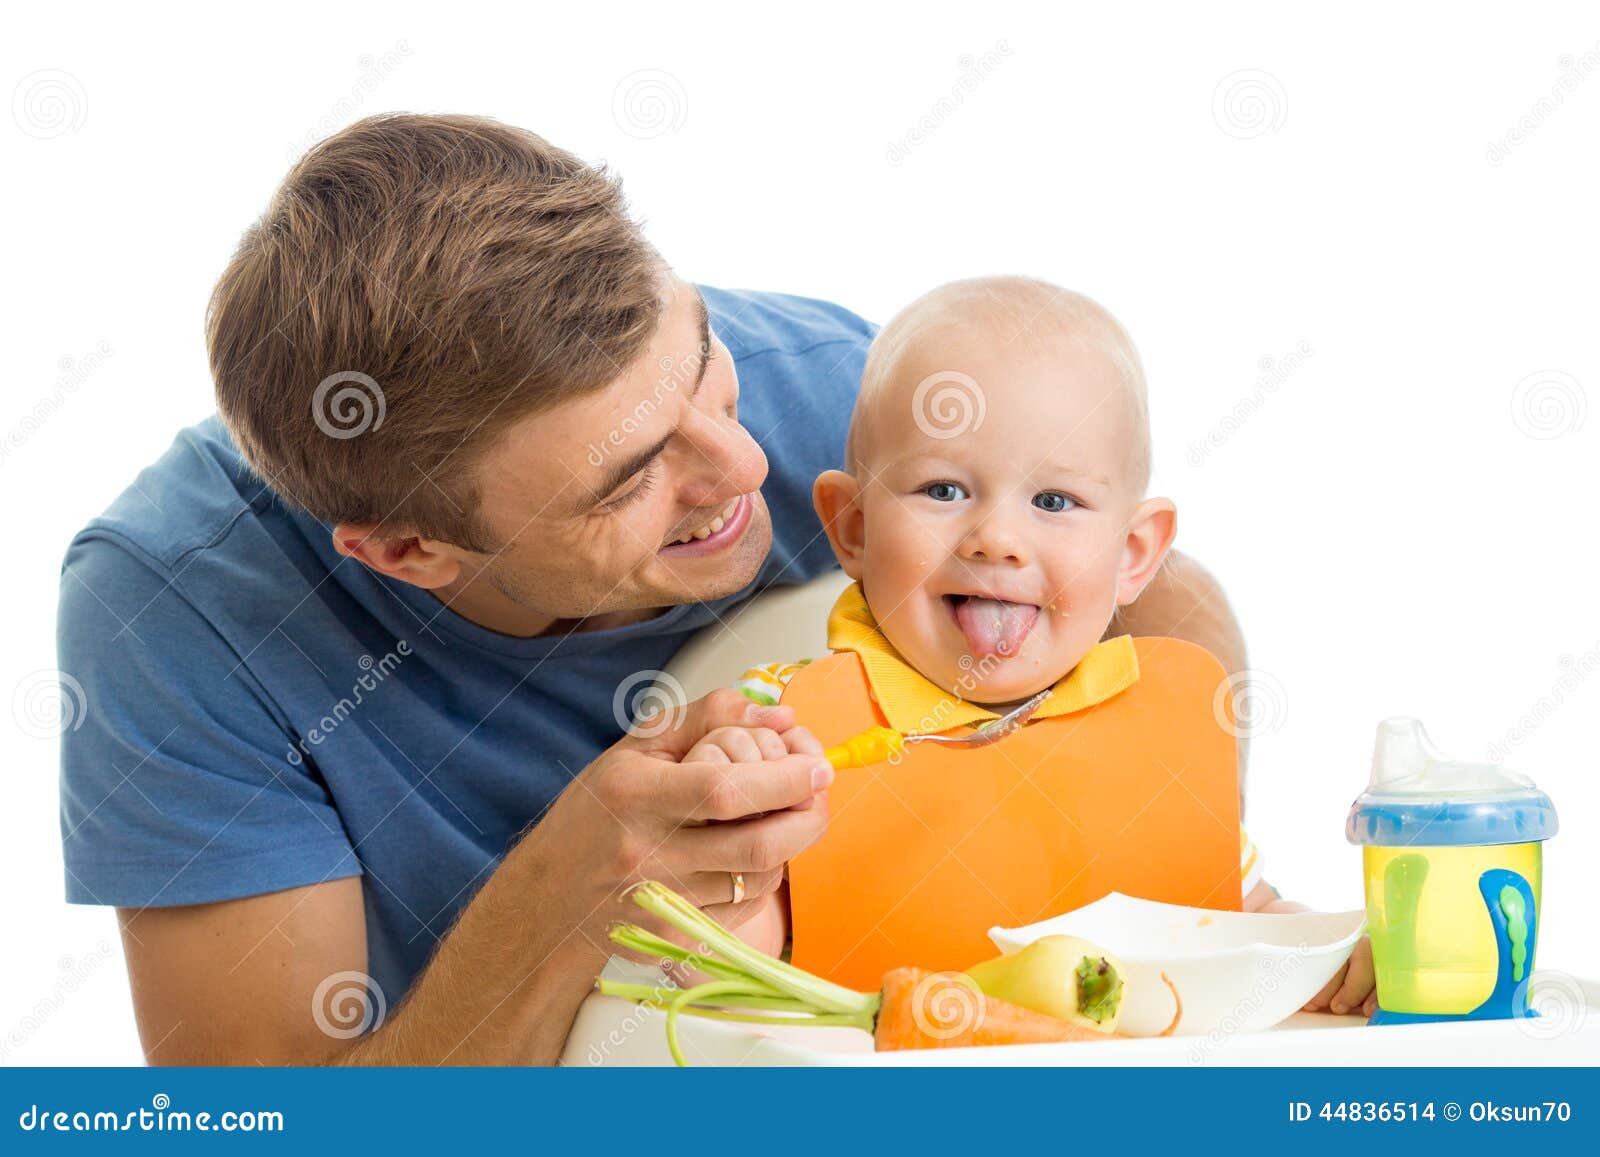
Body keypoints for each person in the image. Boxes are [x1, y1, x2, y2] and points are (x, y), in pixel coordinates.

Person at [56, 115, 1256, 1066]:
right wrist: (573, 887)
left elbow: (1148, 590)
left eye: (701, 365)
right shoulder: (180, 614)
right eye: (629, 477)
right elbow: (270, 1120)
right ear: (408, 552)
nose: (741, 467)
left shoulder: (835, 393)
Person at [707, 277, 1376, 1016]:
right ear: (854, 528)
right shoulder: (785, 728)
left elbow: (1240, 917)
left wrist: (1335, 958)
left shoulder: (1160, 746)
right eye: (944, 490)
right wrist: (723, 863)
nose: (996, 538)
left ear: (1133, 553)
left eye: (1054, 501)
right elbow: (727, 962)